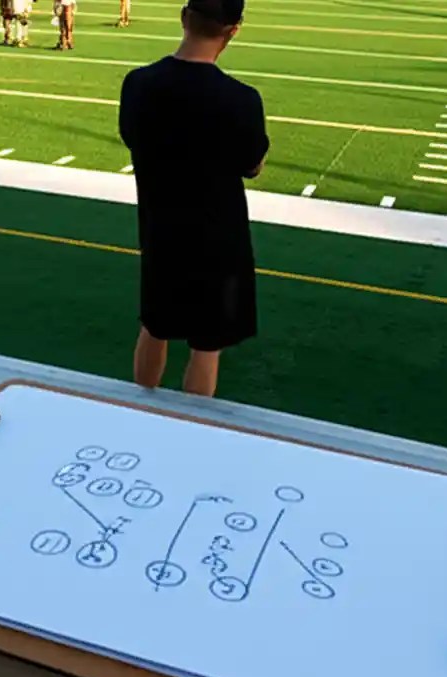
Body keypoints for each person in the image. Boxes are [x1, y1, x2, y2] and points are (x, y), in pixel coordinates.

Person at [117, 0, 268, 397]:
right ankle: (189, 432)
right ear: (233, 31)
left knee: (154, 325)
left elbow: (133, 137)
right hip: (219, 240)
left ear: (184, 18)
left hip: (160, 229)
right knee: (206, 346)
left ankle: (139, 409)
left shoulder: (138, 83)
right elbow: (252, 164)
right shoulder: (242, 99)